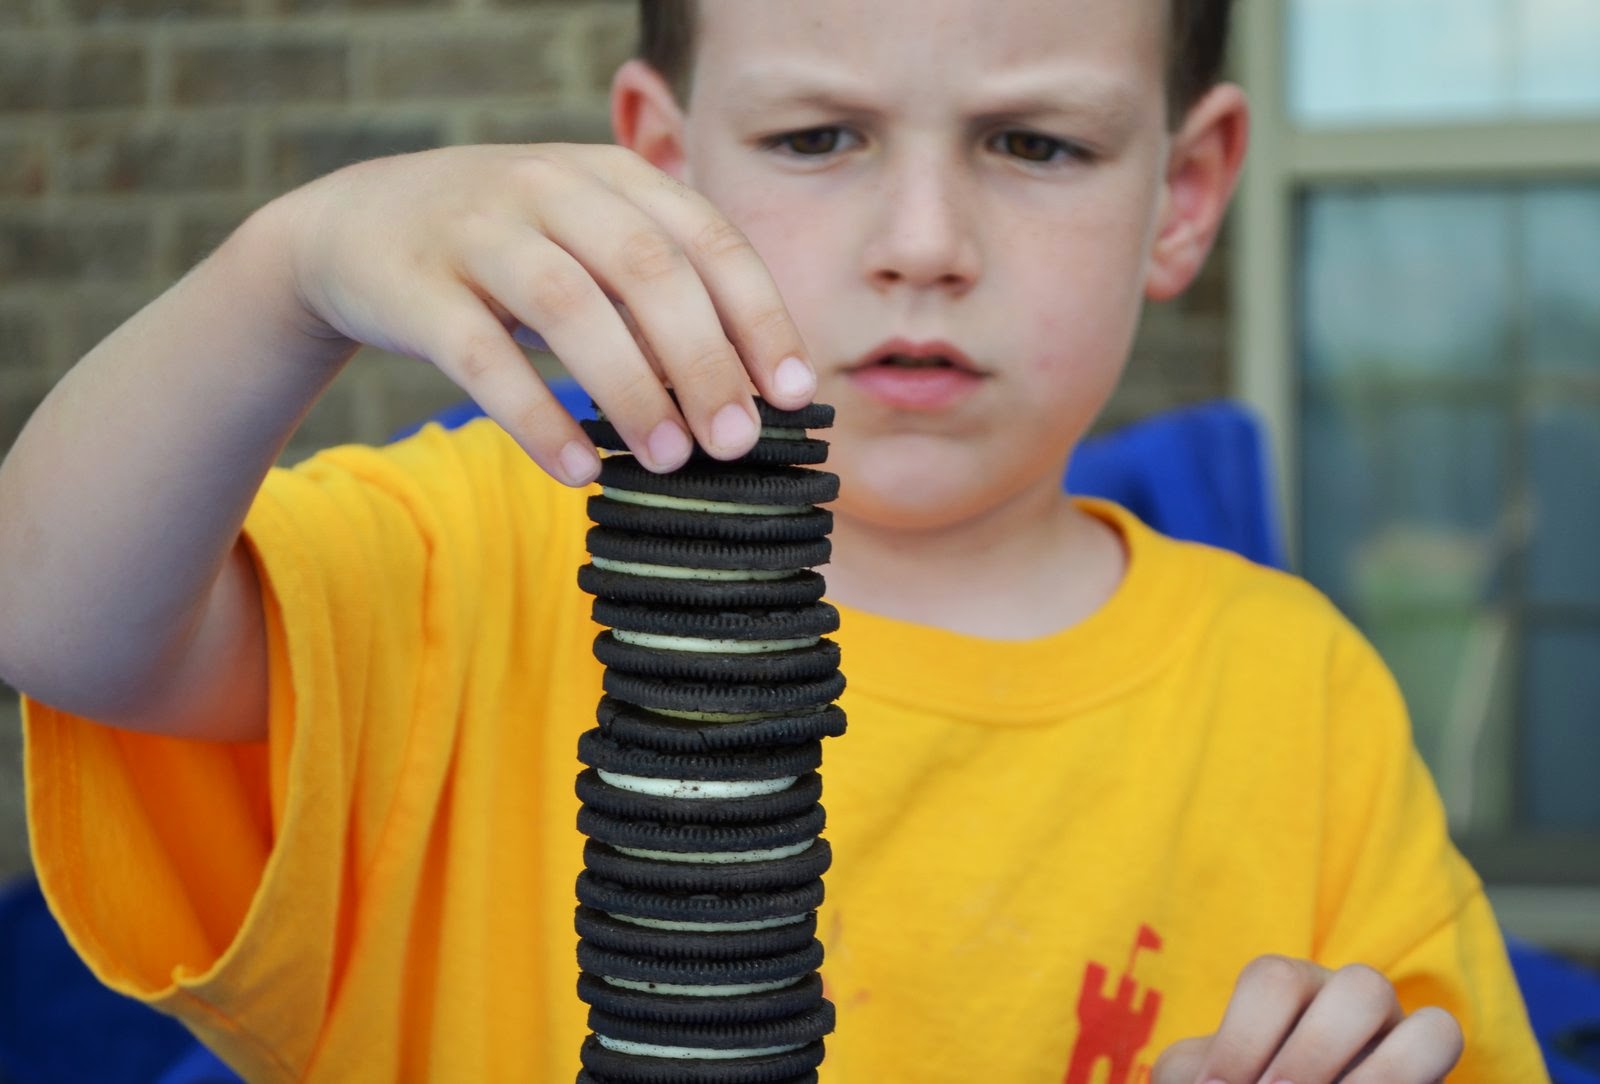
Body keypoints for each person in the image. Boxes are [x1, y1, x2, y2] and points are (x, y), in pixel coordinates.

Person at [0, 0, 1545, 1080]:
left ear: (1186, 193)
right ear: (661, 162)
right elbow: (46, 610)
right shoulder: (465, 561)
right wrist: (287, 271)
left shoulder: (1300, 696)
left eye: (1037, 147)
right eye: (818, 137)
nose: (923, 245)